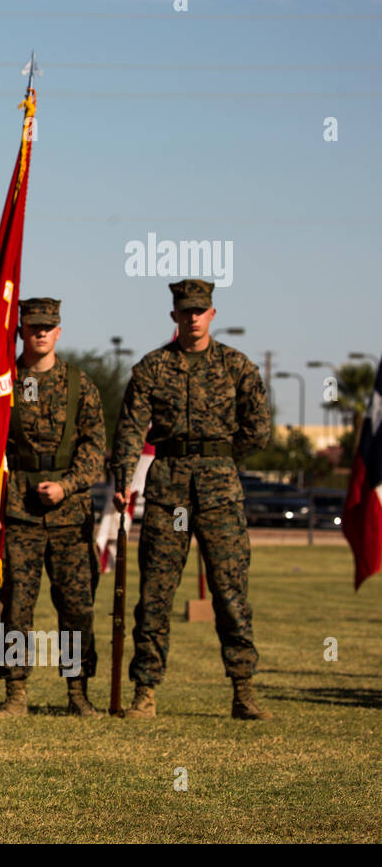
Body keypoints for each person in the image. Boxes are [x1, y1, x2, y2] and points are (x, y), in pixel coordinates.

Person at [110, 279, 273, 719]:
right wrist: (123, 478)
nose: (193, 317)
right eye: (185, 311)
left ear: (213, 314)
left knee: (230, 590)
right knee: (157, 593)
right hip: (168, 490)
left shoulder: (237, 367)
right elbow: (129, 428)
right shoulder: (152, 368)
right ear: (174, 316)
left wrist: (222, 457)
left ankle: (243, 690)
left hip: (220, 491)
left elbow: (259, 428)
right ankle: (145, 691)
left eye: (200, 310)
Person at [0, 298, 106, 717]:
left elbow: (95, 448)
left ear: (59, 332)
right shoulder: (1, 384)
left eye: (48, 326)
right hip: (18, 511)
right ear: (20, 332)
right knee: (17, 606)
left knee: (76, 606)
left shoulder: (81, 386)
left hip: (70, 514)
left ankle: (78, 692)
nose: (40, 333)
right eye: (32, 327)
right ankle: (15, 694)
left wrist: (67, 486)